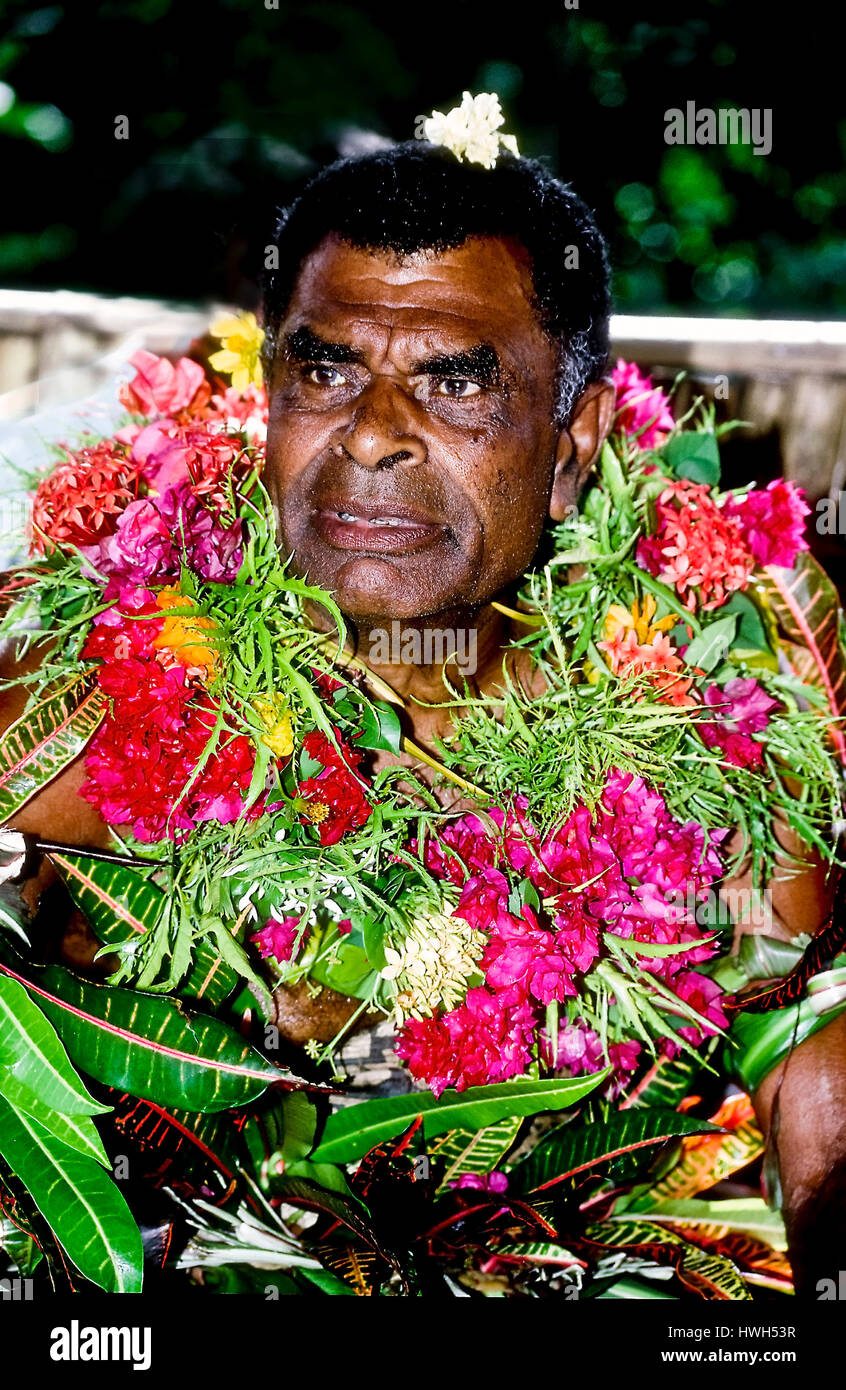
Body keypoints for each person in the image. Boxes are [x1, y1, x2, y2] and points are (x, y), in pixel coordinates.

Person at [1, 130, 842, 1294]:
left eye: (455, 381)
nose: (371, 432)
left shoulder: (703, 709)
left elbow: (810, 1059)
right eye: (328, 369)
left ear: (571, 446)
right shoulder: (94, 689)